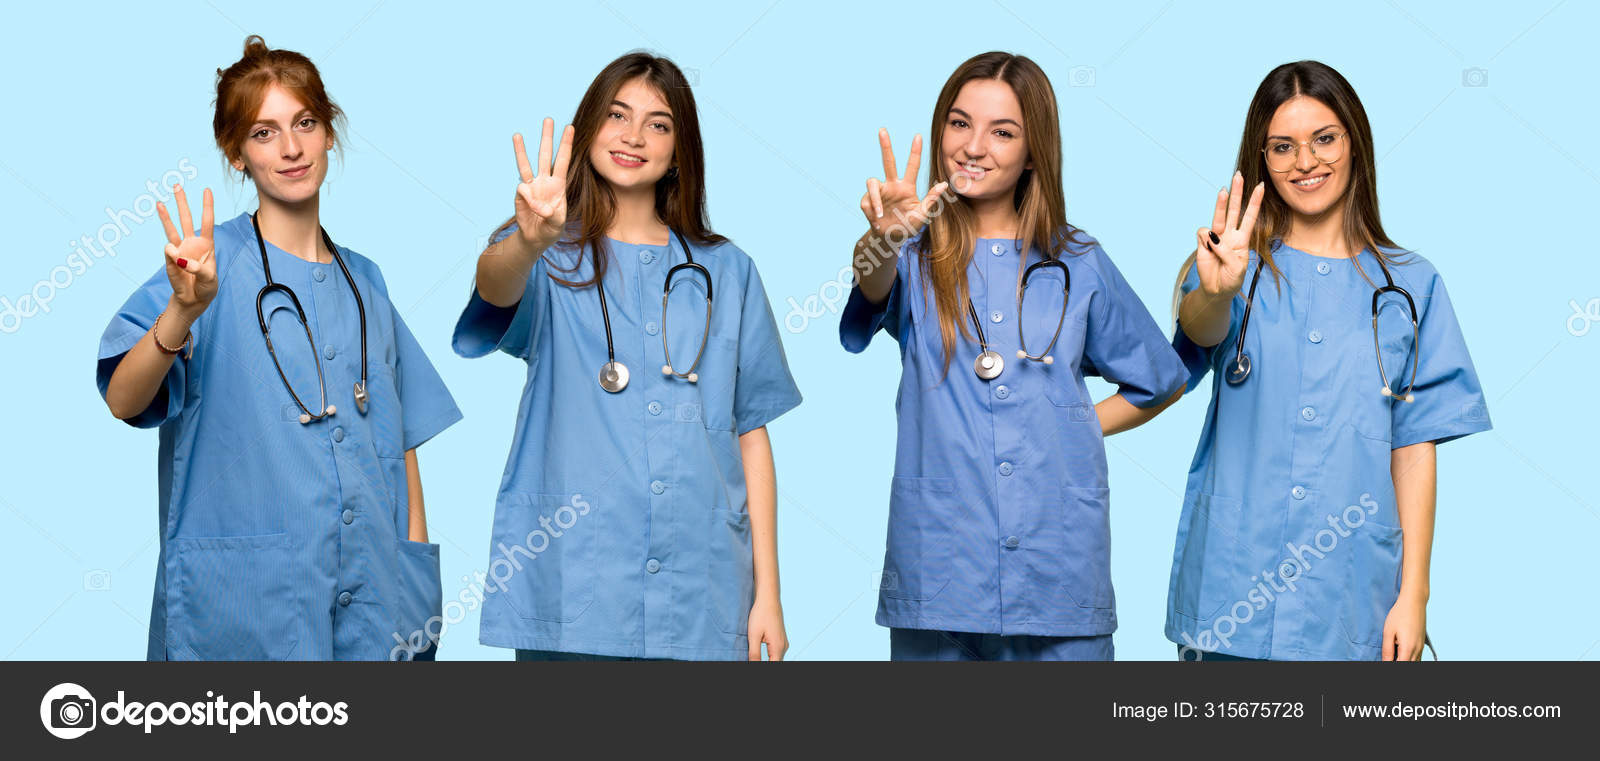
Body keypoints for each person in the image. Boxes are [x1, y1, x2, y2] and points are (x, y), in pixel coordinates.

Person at [96, 36, 459, 660]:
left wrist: (417, 569)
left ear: (328, 134)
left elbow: (401, 440)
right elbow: (124, 400)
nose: (290, 148)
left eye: (305, 123)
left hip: (377, 601)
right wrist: (182, 311)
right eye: (263, 133)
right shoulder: (207, 268)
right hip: (243, 602)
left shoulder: (366, 280)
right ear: (236, 154)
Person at [453, 52, 802, 661]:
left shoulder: (728, 270)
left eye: (658, 124)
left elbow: (751, 432)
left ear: (678, 150)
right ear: (587, 128)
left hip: (703, 587)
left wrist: (767, 592)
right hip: (570, 583)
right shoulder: (546, 254)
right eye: (617, 115)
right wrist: (529, 241)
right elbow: (494, 284)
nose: (634, 136)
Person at [840, 52, 1187, 661]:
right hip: (940, 572)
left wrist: (1072, 428)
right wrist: (883, 241)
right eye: (959, 123)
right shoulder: (912, 253)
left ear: (1034, 152)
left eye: (1002, 132)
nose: (974, 146)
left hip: (1058, 574)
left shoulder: (1078, 261)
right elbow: (872, 289)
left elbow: (1157, 380)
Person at [1167, 61, 1491, 661]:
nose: (1305, 162)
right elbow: (1198, 332)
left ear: (1354, 142)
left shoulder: (1411, 285)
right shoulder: (1230, 269)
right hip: (1233, 585)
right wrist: (1215, 290)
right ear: (1260, 159)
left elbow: (1414, 444)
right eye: (1282, 147)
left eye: (1324, 139)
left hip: (1349, 591)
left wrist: (1413, 594)